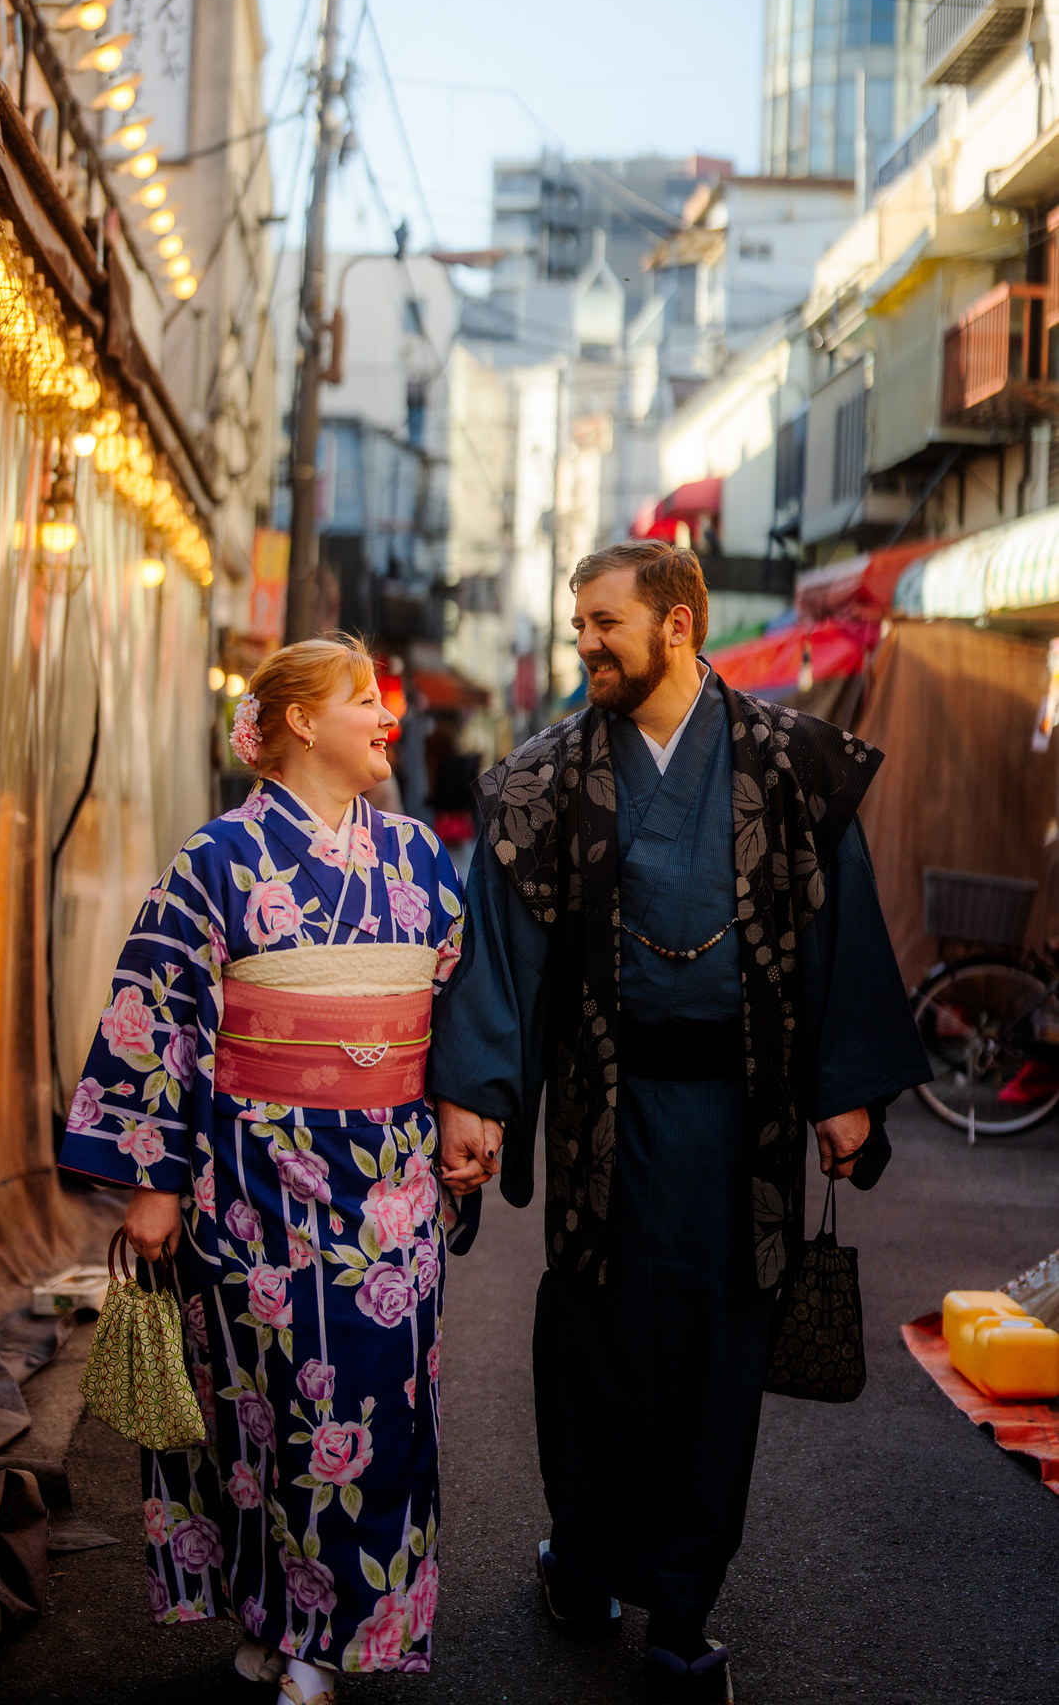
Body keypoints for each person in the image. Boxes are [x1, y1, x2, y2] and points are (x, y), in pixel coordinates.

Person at [429, 542, 929, 1702]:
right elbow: (503, 951)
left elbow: (837, 927)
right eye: (577, 623)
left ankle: (683, 1604)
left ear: (679, 621)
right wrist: (476, 1092)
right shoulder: (543, 779)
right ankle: (589, 1560)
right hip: (607, 1111)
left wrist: (840, 1086)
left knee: (717, 1348)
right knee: (591, 1341)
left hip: (738, 1112)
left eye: (603, 620)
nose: (584, 641)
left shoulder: (789, 761)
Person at [59, 635, 487, 1705]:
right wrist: (152, 1180)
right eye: (364, 701)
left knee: (375, 1405)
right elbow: (154, 1009)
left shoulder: (416, 853)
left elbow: (461, 996)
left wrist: (462, 1104)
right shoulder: (215, 860)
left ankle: (333, 1633)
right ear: (300, 721)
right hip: (254, 1178)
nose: (387, 719)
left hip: (387, 1173)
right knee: (258, 1407)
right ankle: (273, 1609)